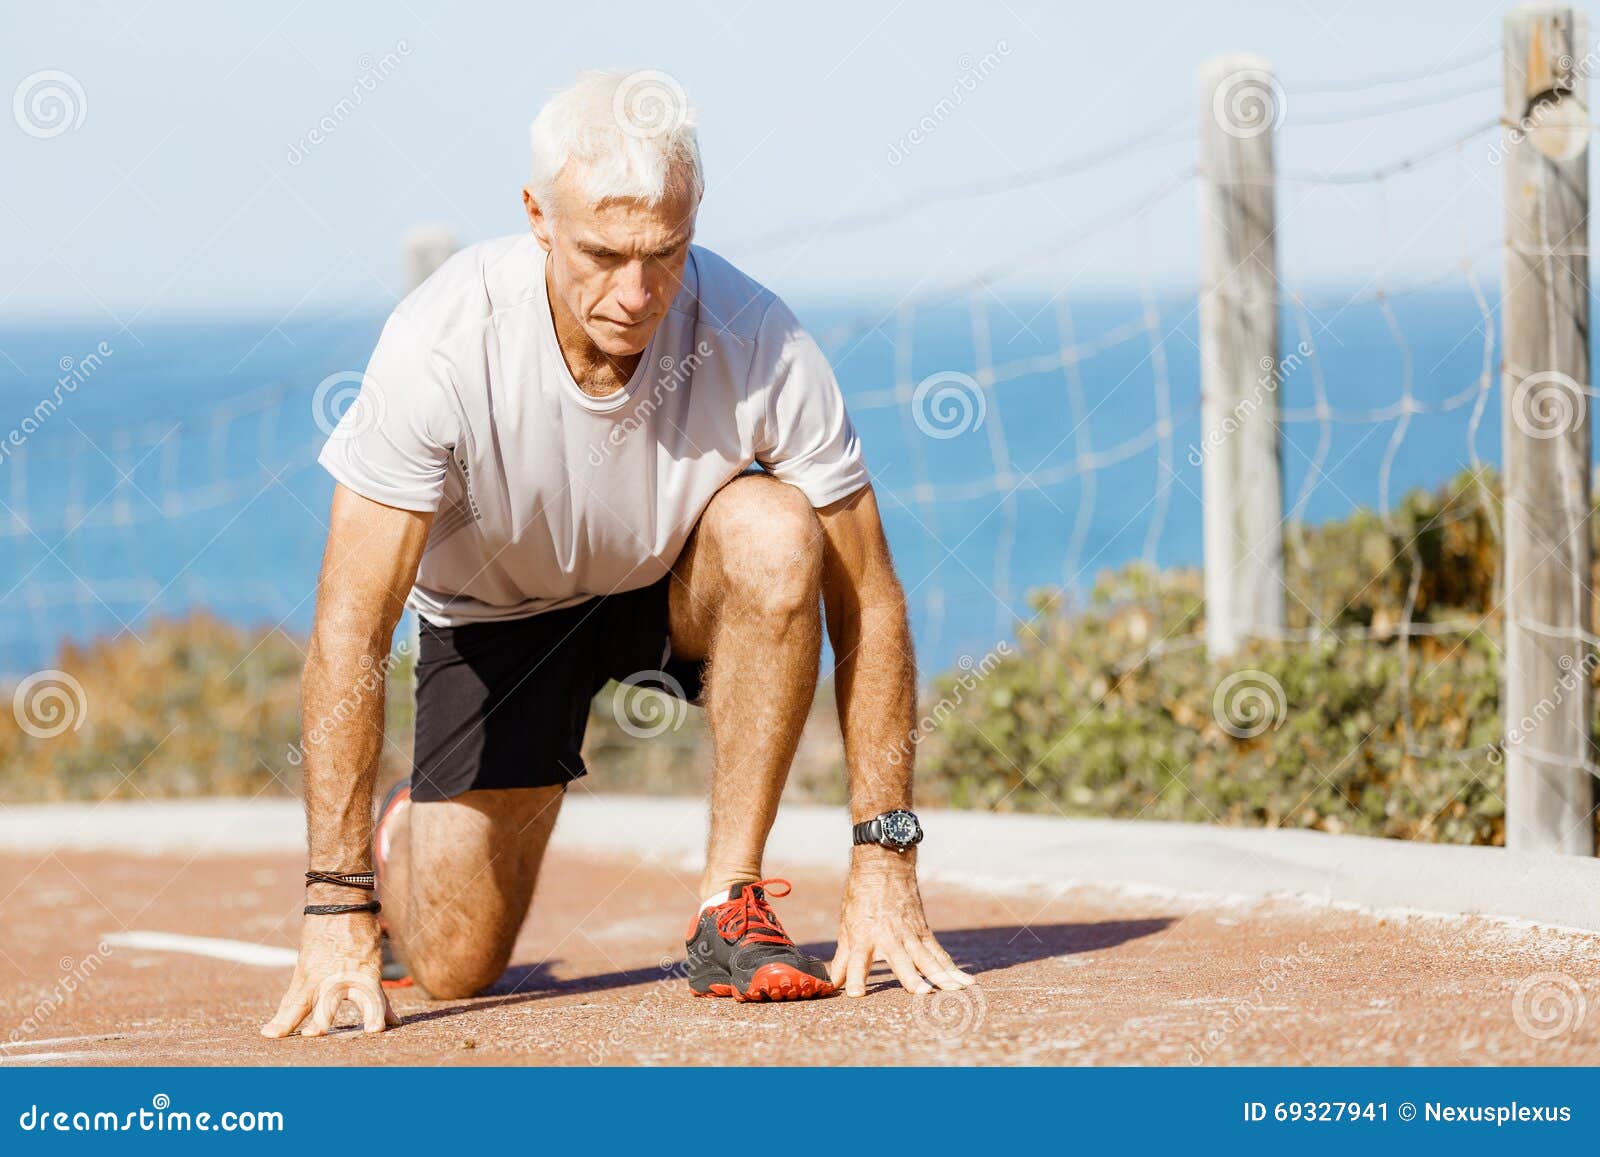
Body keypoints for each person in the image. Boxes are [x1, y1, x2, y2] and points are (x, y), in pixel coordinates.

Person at [263, 69, 973, 1037]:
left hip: (661, 585)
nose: (636, 293)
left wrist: (884, 856)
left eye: (664, 253)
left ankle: (731, 904)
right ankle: (405, 835)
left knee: (776, 531)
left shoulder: (757, 337)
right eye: (603, 252)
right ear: (537, 217)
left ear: (694, 222)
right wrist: (338, 904)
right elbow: (349, 633)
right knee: (455, 965)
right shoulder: (439, 347)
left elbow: (872, 603)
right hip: (495, 622)